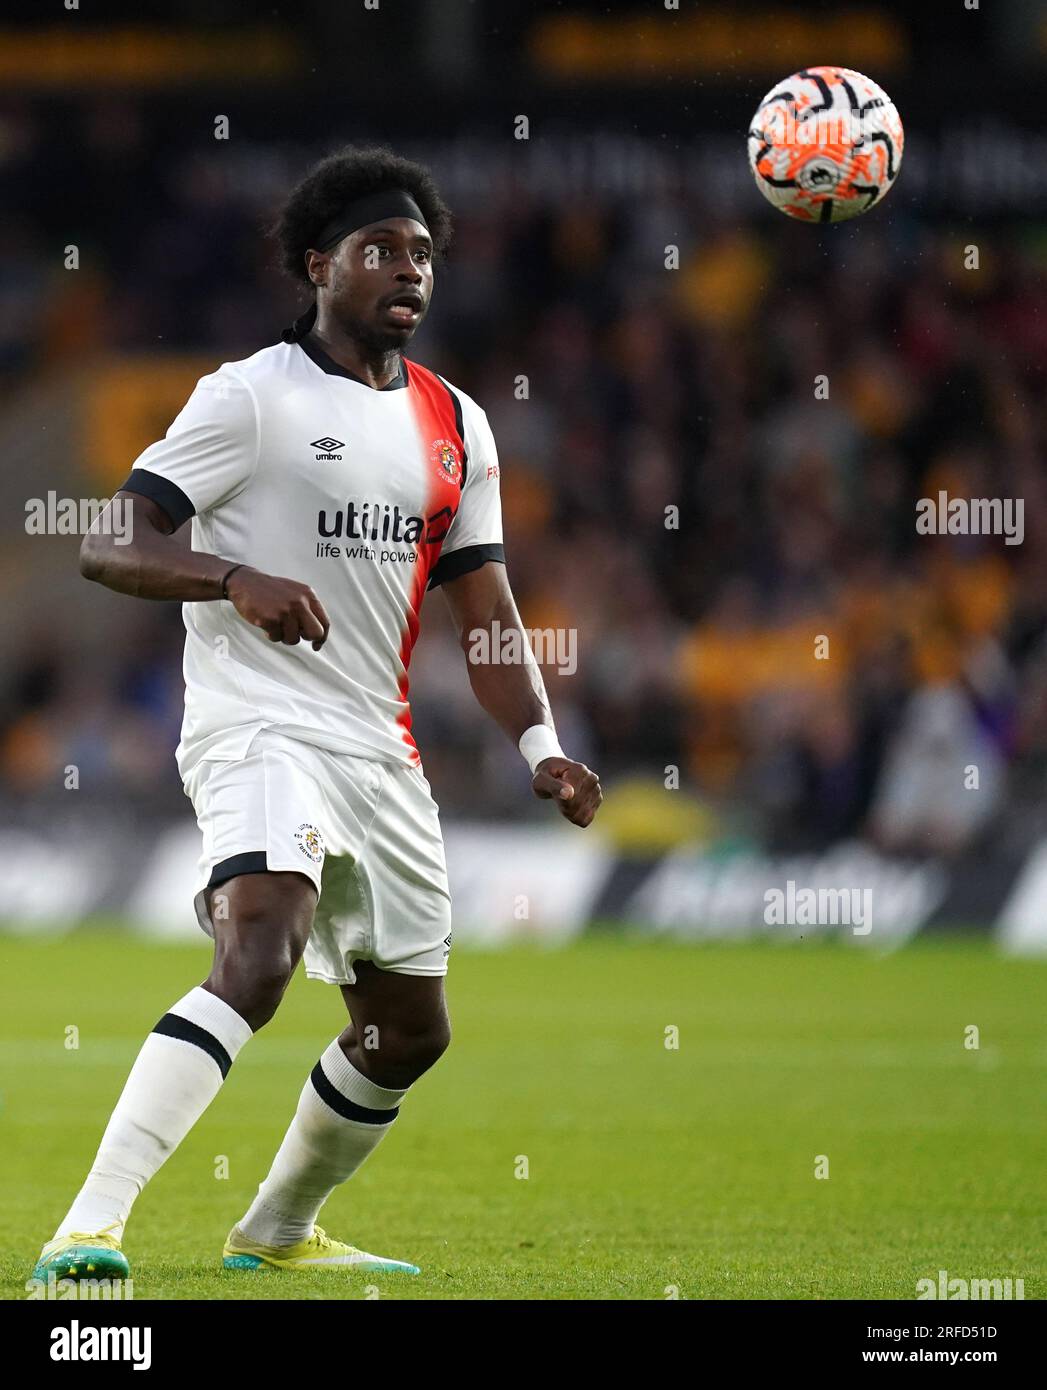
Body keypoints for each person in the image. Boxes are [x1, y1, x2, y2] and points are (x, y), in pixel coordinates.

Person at [32, 145, 602, 1282]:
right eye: (381, 249)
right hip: (257, 724)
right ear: (318, 265)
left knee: (410, 1029)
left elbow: (487, 607)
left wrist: (541, 743)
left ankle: (276, 1229)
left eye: (424, 253)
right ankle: (88, 1229)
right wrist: (233, 579)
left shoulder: (459, 426)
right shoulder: (249, 398)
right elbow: (110, 542)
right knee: (261, 946)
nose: (410, 271)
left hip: (374, 745)